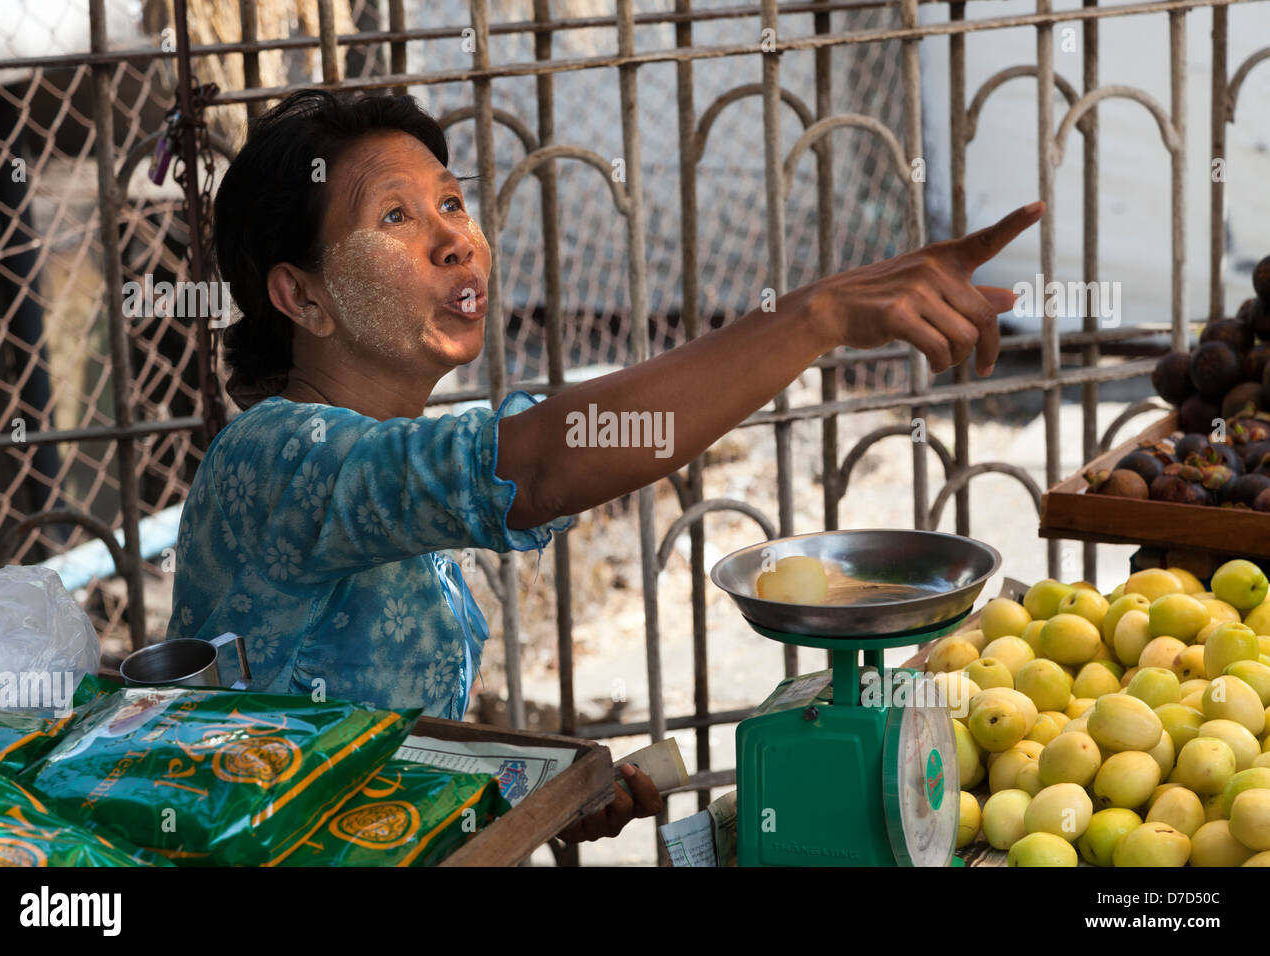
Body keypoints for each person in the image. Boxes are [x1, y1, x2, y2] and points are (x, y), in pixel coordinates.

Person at [167, 88, 1042, 843]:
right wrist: (818, 318)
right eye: (396, 217)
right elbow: (543, 462)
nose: (455, 243)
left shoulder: (378, 471)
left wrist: (520, 800)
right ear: (302, 295)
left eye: (453, 204)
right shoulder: (277, 457)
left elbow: (372, 756)